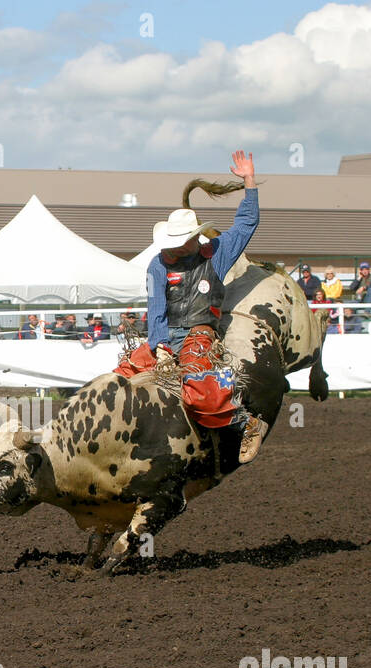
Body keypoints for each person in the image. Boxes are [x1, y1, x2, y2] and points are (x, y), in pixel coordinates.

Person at [140, 149, 267, 463]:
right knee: (128, 371)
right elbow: (155, 308)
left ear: (191, 240)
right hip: (167, 336)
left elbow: (247, 223)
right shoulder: (158, 266)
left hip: (200, 335)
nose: (169, 250)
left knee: (198, 387)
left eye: (176, 244)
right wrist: (159, 347)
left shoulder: (216, 255)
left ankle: (246, 422)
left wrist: (249, 181)